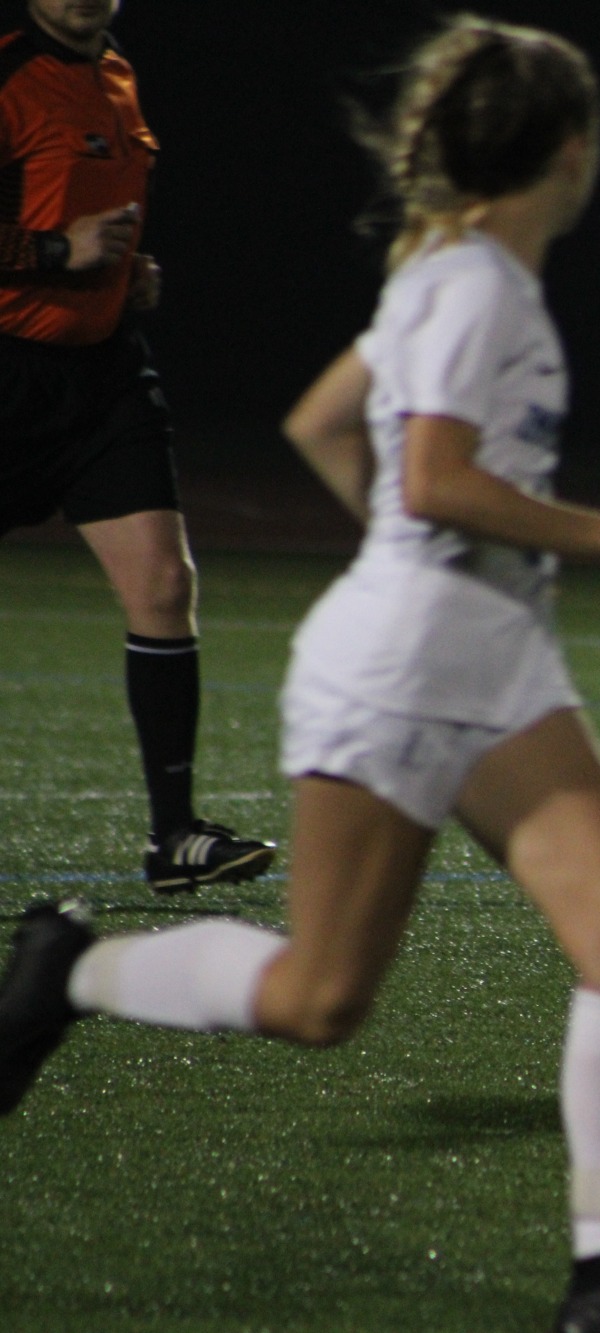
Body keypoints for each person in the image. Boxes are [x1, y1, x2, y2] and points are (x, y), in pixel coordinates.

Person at [0, 17, 600, 1332]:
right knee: (318, 998)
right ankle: (68, 973)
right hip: (409, 665)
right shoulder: (474, 287)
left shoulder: (450, 266)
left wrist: (416, 557)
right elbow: (440, 477)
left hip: (485, 655)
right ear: (570, 152)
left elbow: (321, 421)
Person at [0, 0, 275, 891]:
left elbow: (91, 218)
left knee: (164, 584)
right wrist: (53, 250)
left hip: (104, 374)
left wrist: (127, 272)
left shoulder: (116, 73)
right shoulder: (7, 74)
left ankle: (174, 838)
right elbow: (55, 235)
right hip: (7, 373)